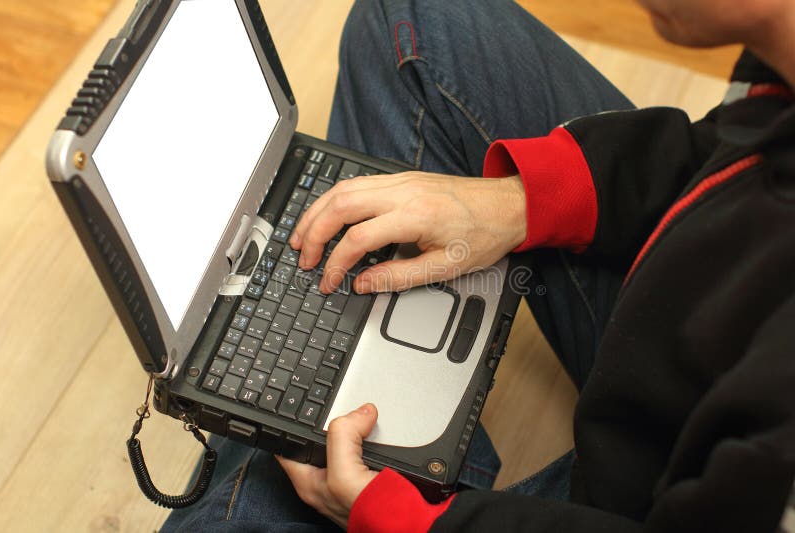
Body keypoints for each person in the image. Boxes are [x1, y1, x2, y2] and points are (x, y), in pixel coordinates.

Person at [163, 0, 795, 531]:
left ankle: (356, 418)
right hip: (694, 318)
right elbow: (733, 159)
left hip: (660, 492)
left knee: (272, 429)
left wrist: (408, 520)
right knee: (411, 18)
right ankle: (320, 364)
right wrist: (519, 201)